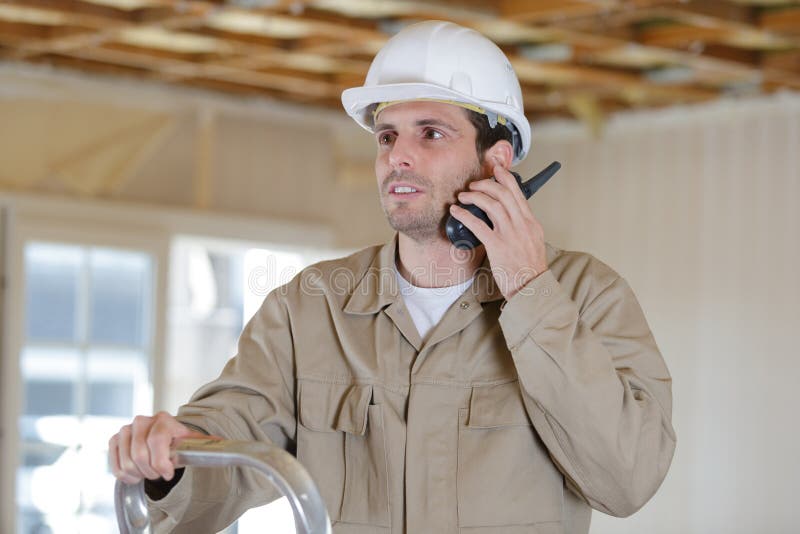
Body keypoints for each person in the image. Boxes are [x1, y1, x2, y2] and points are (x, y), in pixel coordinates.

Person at [109, 20, 675, 534]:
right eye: (386, 136)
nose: (397, 156)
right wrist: (172, 454)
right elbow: (231, 432)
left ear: (497, 163)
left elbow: (627, 480)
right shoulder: (310, 308)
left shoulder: (587, 295)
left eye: (430, 133)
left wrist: (529, 290)